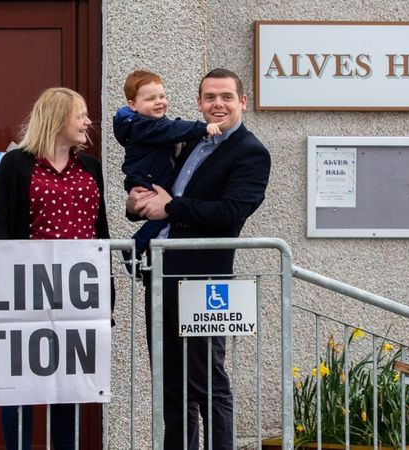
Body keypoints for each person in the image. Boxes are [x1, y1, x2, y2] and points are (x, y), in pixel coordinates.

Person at [127, 68, 271, 450]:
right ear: (199, 103)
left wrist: (171, 207)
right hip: (162, 277)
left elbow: (230, 211)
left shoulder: (251, 152)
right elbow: (158, 195)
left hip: (205, 283)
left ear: (242, 102)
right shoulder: (192, 142)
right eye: (209, 97)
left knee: (208, 383)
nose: (217, 104)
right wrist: (137, 204)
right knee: (170, 383)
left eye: (225, 96)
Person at [0, 87, 111, 450]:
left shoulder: (91, 168)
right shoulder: (16, 165)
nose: (88, 121)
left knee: (68, 389)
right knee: (21, 384)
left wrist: (108, 291)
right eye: (80, 114)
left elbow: (99, 230)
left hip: (79, 297)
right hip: (27, 294)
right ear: (57, 119)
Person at [113, 70, 221, 258]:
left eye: (162, 96)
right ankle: (134, 248)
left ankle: (135, 249)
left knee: (166, 213)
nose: (159, 102)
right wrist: (203, 127)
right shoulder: (142, 125)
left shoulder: (149, 124)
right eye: (150, 99)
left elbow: (169, 129)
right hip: (146, 180)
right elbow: (171, 129)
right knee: (167, 213)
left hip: (149, 177)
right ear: (133, 105)